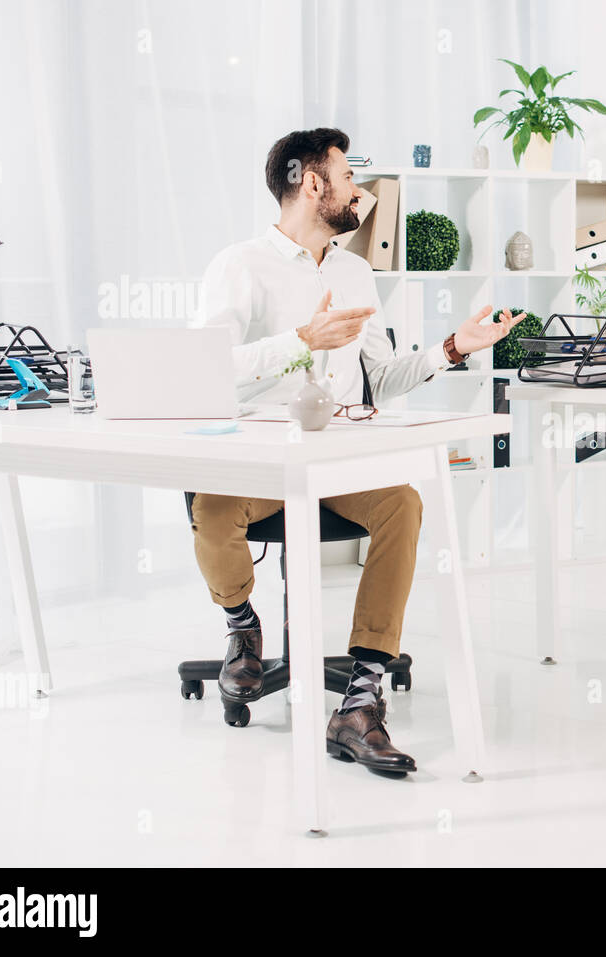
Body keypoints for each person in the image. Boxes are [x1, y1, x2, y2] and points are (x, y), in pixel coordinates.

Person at [192, 128, 522, 774]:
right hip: (259, 459)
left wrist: (453, 347)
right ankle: (241, 622)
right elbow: (209, 370)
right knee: (211, 507)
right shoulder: (239, 266)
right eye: (347, 179)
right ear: (310, 184)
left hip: (337, 458)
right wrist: (301, 339)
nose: (359, 193)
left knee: (403, 502)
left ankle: (361, 699)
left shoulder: (354, 270)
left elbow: (384, 377)